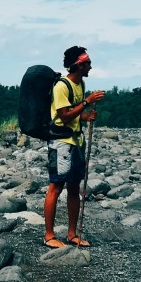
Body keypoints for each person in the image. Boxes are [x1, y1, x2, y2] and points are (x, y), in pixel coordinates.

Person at [44, 46, 105, 248]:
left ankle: (72, 234)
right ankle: (49, 235)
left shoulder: (81, 83)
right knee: (56, 187)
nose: (90, 66)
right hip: (61, 143)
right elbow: (64, 115)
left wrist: (85, 116)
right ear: (79, 65)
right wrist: (88, 102)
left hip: (77, 141)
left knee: (73, 187)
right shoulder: (61, 87)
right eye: (87, 62)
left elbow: (74, 113)